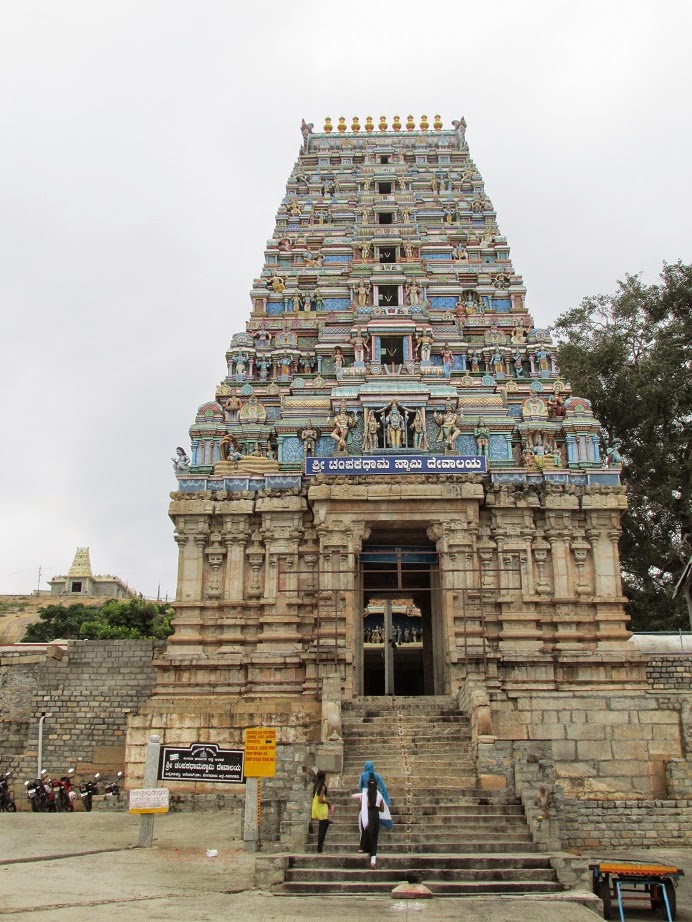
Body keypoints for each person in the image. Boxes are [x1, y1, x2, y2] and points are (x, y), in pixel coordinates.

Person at [356, 774, 385, 868]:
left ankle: (365, 849)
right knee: (374, 837)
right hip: (375, 815)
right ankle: (373, 860)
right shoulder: (379, 794)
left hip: (366, 815)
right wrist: (376, 807)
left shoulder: (364, 794)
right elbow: (382, 809)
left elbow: (360, 808)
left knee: (368, 834)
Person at [311, 770, 331, 854]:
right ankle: (320, 848)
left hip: (318, 808)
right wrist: (328, 802)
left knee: (324, 825)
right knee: (322, 829)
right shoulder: (322, 787)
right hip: (322, 809)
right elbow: (320, 799)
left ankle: (320, 846)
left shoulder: (316, 786)